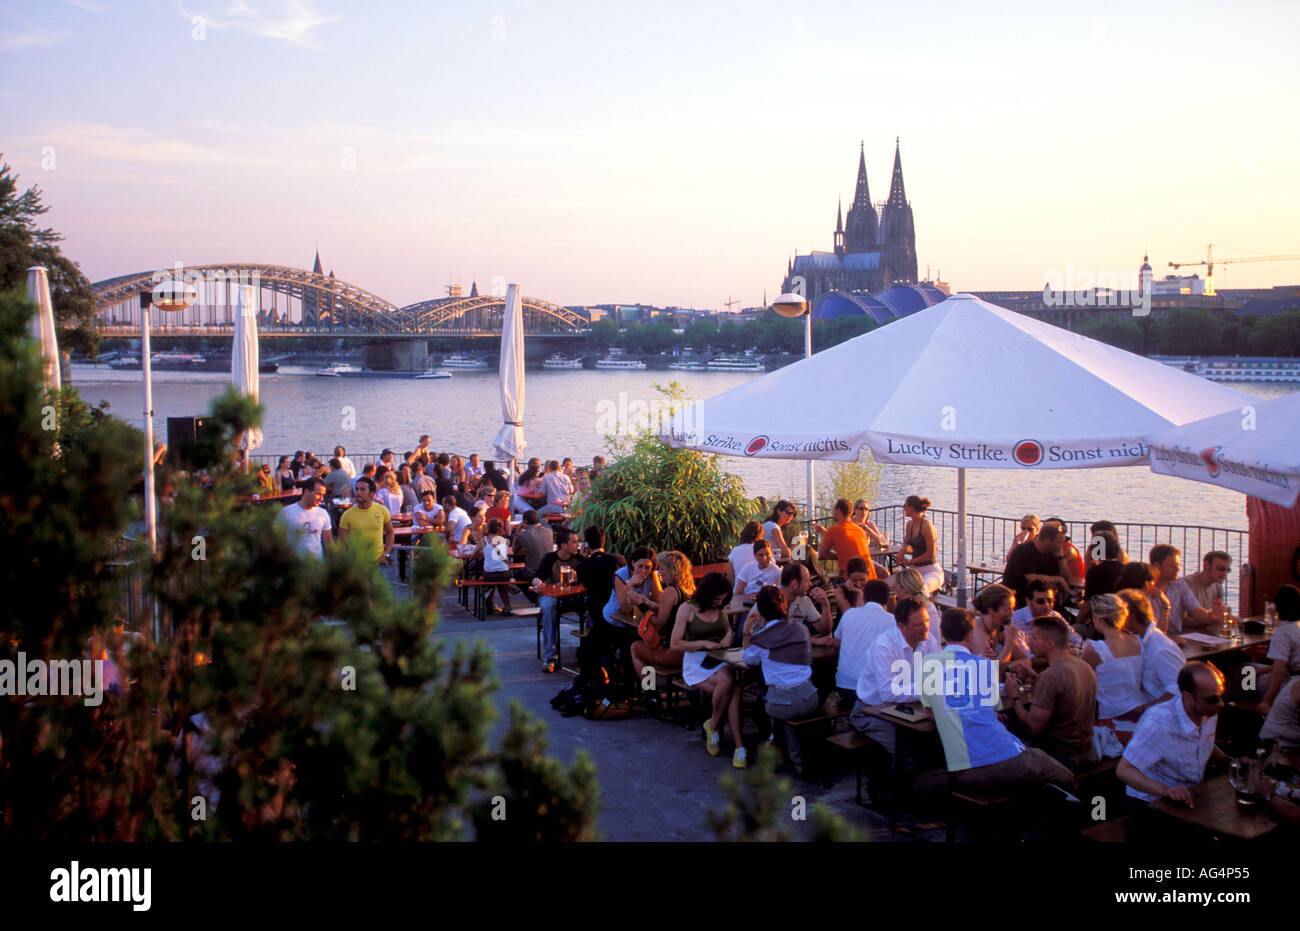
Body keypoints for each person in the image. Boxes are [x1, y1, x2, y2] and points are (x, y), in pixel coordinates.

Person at [916, 608, 1079, 797]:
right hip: (1004, 757)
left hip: (964, 768)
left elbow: (931, 710)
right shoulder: (984, 666)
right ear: (970, 635)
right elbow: (994, 710)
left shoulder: (928, 665)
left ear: (942, 633)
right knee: (1068, 779)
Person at [848, 596, 940, 806]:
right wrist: (928, 690)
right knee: (902, 750)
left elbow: (940, 673)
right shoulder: (884, 646)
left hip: (909, 708)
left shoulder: (928, 641)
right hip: (872, 710)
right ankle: (885, 794)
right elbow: (890, 693)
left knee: (935, 741)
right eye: (918, 624)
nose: (925, 627)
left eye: (926, 621)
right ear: (902, 626)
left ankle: (918, 793)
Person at [1118, 662, 1227, 807]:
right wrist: (1166, 791)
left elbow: (1201, 740)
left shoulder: (1209, 711)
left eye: (1221, 696)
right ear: (1188, 698)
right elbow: (1124, 770)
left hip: (1190, 792)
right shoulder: (1159, 724)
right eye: (1213, 699)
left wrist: (1228, 761)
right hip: (1152, 800)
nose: (1220, 704)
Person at [670, 571, 746, 768]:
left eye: (722, 599)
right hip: (696, 660)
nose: (719, 602)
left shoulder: (720, 607)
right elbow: (675, 644)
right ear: (706, 595)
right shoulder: (687, 609)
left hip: (718, 657)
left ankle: (715, 728)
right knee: (733, 688)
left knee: (730, 682)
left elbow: (727, 629)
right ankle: (738, 746)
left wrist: (727, 638)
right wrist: (704, 643)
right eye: (716, 599)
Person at [1006, 615, 1098, 771]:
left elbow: (1034, 727)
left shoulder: (1050, 676)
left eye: (1034, 638)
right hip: (1087, 751)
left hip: (1061, 757)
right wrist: (1036, 681)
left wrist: (1014, 696)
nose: (1030, 641)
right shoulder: (1084, 667)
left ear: (1049, 644)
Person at [743, 585, 818, 774]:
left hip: (782, 703)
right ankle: (797, 759)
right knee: (786, 715)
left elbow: (748, 660)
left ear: (760, 610)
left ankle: (772, 751)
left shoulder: (761, 638)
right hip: (809, 697)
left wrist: (746, 631)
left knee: (765, 708)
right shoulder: (801, 630)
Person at [1082, 594, 1145, 759]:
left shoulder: (1095, 649)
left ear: (1098, 619)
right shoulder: (1138, 642)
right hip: (1141, 720)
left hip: (1112, 724)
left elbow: (1082, 687)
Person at [574, 526, 630, 685]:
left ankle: (597, 677)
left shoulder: (583, 566)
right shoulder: (619, 560)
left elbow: (581, 585)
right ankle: (645, 690)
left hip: (597, 615)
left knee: (591, 642)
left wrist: (585, 558)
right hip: (621, 618)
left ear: (587, 543)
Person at [1115, 587, 1184, 709]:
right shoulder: (1138, 640)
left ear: (1130, 618)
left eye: (1117, 616)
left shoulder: (1160, 649)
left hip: (1158, 717)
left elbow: (1177, 692)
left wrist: (1142, 710)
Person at [832, 579, 894, 705]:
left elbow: (836, 643)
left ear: (864, 597)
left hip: (845, 687)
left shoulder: (849, 614)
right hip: (872, 691)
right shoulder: (892, 621)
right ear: (888, 600)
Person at [630, 550, 690, 683]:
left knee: (636, 648)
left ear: (670, 570)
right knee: (648, 645)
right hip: (689, 651)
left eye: (662, 569)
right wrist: (647, 602)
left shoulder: (670, 591)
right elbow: (670, 610)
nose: (659, 572)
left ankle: (650, 690)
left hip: (675, 654)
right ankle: (652, 688)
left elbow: (659, 623)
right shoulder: (686, 588)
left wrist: (642, 606)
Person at [532, 527, 583, 673]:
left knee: (594, 605)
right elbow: (537, 577)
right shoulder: (550, 558)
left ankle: (587, 652)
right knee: (548, 607)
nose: (577, 545)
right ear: (563, 545)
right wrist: (537, 583)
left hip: (574, 597)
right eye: (574, 542)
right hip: (553, 597)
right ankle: (550, 656)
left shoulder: (579, 558)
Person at [1149, 544, 1223, 635]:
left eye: (1178, 565)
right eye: (1172, 566)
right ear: (1157, 566)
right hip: (1155, 639)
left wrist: (1213, 617)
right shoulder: (1144, 587)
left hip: (1176, 636)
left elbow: (1197, 610)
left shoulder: (1179, 584)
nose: (1178, 569)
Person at [1002, 524, 1070, 610]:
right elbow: (1032, 578)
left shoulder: (1051, 553)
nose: (1062, 545)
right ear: (1048, 541)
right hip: (1019, 601)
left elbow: (1067, 578)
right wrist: (1059, 579)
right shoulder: (1024, 551)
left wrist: (1061, 557)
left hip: (1043, 601)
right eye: (1059, 542)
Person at [970, 582, 1032, 672]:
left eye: (1013, 609)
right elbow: (990, 672)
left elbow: (1025, 660)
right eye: (1007, 610)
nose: (1012, 614)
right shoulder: (977, 632)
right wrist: (1010, 641)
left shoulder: (998, 629)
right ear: (991, 611)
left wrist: (1012, 666)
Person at [1258, 584, 1300, 717]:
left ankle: (1247, 701)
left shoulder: (1283, 632)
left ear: (1277, 607)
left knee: (1244, 672)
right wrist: (1262, 670)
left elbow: (1278, 672)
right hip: (1295, 677)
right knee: (1254, 670)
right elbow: (1289, 663)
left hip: (1290, 685)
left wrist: (1267, 702)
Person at [337, 476, 394, 569]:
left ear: (372, 493)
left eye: (362, 489)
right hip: (356, 565)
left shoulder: (382, 510)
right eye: (357, 489)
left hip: (378, 564)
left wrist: (386, 554)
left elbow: (390, 532)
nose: (358, 492)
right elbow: (341, 542)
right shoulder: (347, 515)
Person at [814, 498, 876, 580]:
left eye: (834, 510)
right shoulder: (859, 530)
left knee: (825, 583)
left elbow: (822, 553)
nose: (832, 513)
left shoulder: (834, 530)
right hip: (871, 577)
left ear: (839, 511)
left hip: (854, 580)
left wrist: (838, 556)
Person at [1076, 530, 1125, 635]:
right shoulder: (1124, 569)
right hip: (1121, 621)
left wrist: (1076, 623)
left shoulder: (1095, 572)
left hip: (1101, 624)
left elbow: (1088, 604)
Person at [273, 478, 333, 559]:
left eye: (323, 495)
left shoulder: (323, 514)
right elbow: (275, 541)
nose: (322, 499)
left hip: (316, 566)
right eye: (319, 494)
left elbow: (329, 543)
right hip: (293, 566)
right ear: (307, 491)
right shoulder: (286, 512)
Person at [895, 495, 942, 594]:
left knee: (920, 590)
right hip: (915, 571)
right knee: (887, 585)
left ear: (911, 508)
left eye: (905, 506)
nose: (903, 509)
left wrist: (911, 562)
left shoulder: (927, 526)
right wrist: (901, 554)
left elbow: (931, 554)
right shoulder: (910, 524)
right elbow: (905, 543)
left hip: (931, 570)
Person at [473, 518, 515, 616]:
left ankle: (489, 604)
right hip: (504, 574)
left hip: (489, 574)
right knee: (501, 584)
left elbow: (473, 554)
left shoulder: (483, 541)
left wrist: (484, 553)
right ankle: (507, 606)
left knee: (489, 582)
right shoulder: (506, 541)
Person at [1116, 561, 1171, 635]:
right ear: (1145, 582)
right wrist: (1165, 605)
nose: (1154, 583)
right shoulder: (1136, 604)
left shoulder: (1120, 597)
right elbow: (1157, 633)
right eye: (1153, 580)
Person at [895, 566, 942, 650]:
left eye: (896, 585)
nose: (895, 589)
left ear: (904, 588)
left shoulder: (910, 610)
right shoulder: (928, 605)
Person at [512, 510, 554, 592]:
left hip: (533, 572)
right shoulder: (549, 531)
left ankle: (533, 596)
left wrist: (517, 532)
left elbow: (514, 550)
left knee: (516, 576)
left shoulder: (523, 534)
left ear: (525, 521)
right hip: (550, 571)